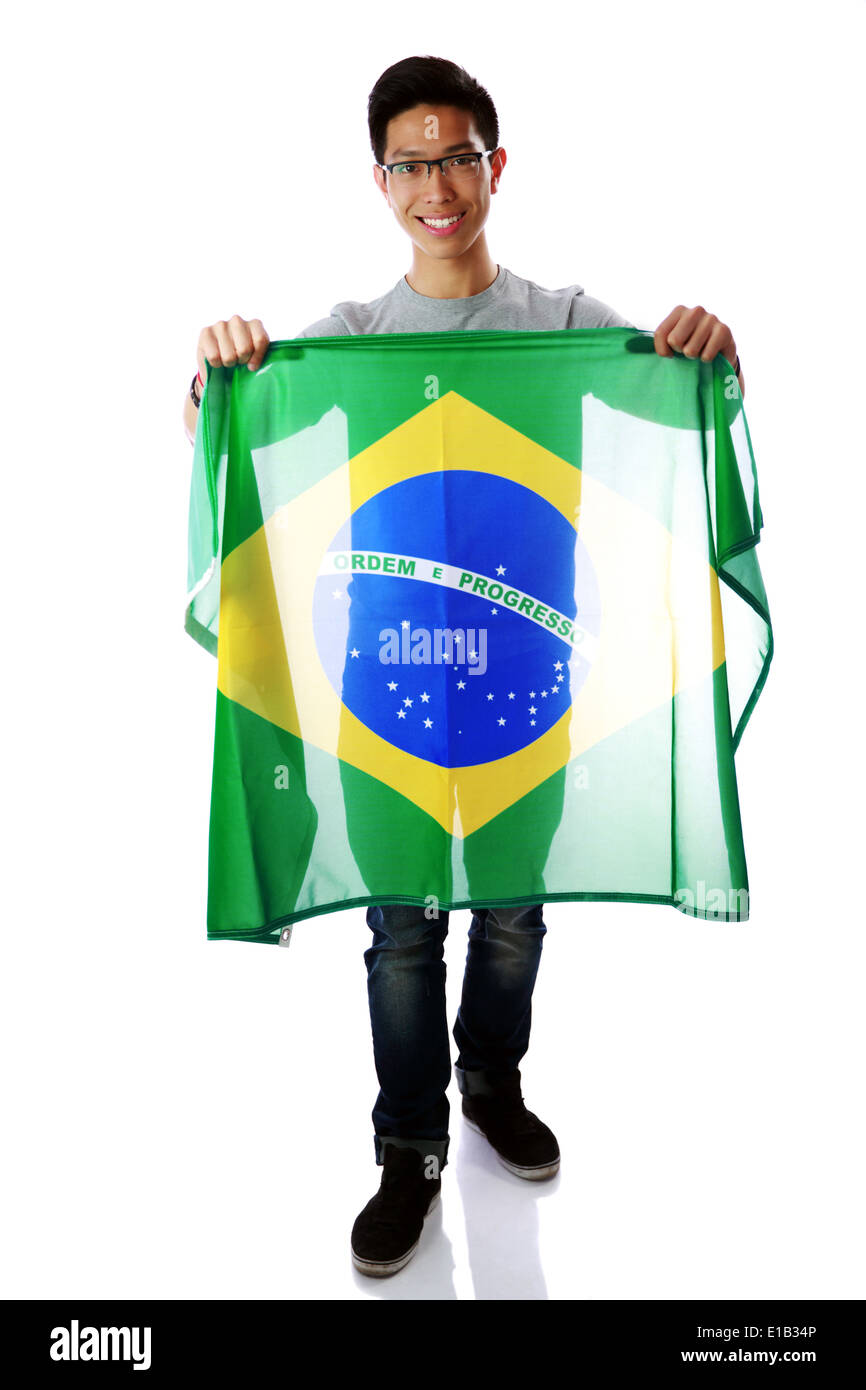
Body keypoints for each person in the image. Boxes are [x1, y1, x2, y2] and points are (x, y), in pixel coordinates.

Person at [182, 56, 745, 1279]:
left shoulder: (563, 323)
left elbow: (675, 413)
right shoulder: (351, 340)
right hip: (382, 672)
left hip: (526, 670)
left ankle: (490, 1078)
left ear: (496, 164)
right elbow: (236, 436)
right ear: (379, 181)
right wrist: (212, 377)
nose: (435, 185)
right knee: (398, 929)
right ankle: (408, 1150)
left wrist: (710, 350)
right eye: (408, 163)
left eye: (456, 157)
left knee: (507, 908)